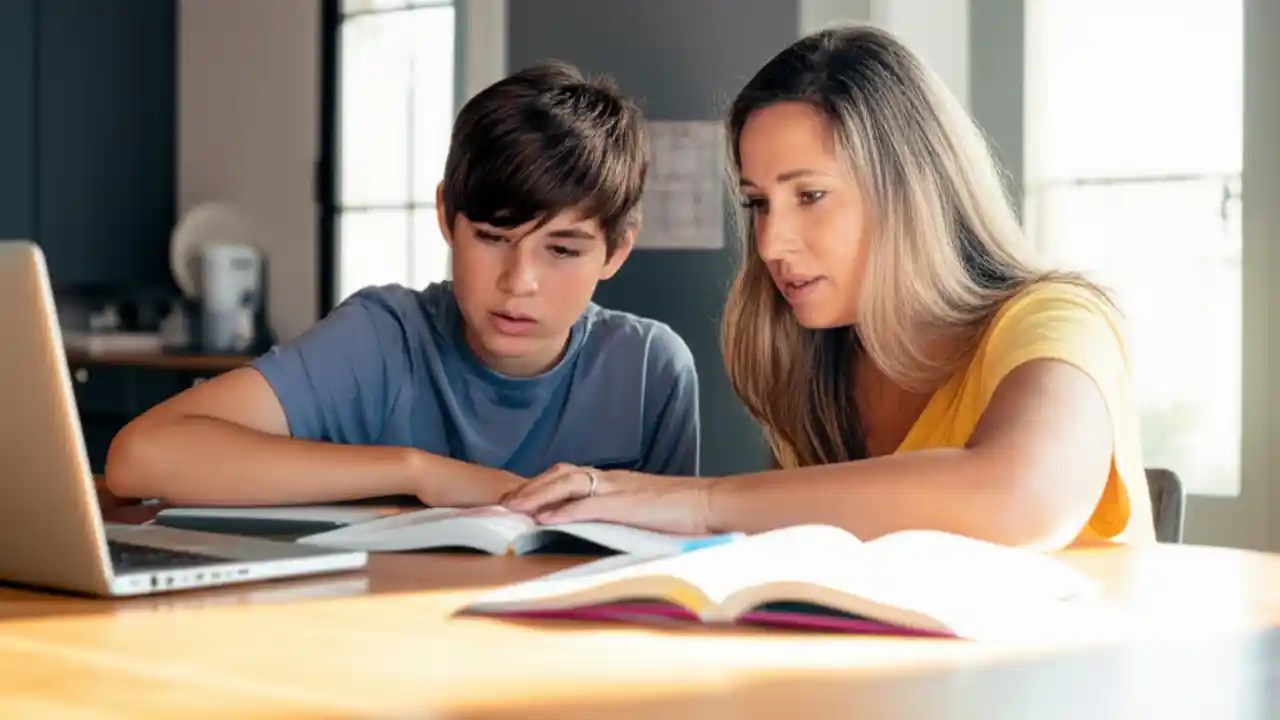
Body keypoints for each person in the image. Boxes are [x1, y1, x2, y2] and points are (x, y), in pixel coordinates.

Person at [503, 26, 1155, 549]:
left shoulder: (1061, 319)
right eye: (758, 203)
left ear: (911, 189)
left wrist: (700, 502)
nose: (770, 243)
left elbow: (1021, 496)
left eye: (810, 195)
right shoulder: (820, 359)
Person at [105, 62, 700, 507]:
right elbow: (140, 457)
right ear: (446, 217)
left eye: (563, 250)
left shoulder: (649, 370)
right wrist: (420, 471)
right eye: (492, 238)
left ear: (617, 249)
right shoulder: (382, 338)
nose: (520, 283)